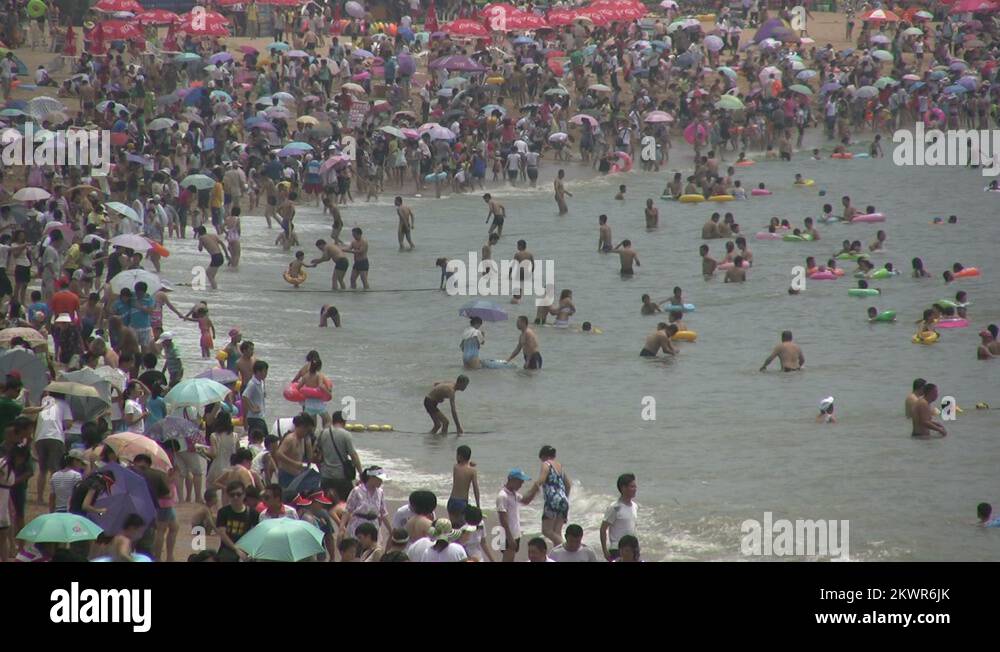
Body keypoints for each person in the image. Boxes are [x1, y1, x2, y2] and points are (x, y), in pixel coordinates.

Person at [521, 445, 571, 546]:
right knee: (556, 533)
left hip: (552, 500)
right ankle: (559, 556)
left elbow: (541, 480)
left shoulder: (546, 464)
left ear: (543, 456)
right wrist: (564, 498)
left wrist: (530, 493)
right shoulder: (560, 466)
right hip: (563, 500)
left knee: (546, 531)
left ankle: (565, 547)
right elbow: (568, 484)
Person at [342, 466, 392, 540]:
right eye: (379, 479)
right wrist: (341, 527)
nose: (381, 482)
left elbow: (383, 512)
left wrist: (390, 530)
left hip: (373, 524)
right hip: (358, 524)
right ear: (371, 478)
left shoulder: (380, 492)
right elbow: (348, 510)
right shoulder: (357, 491)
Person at [215, 480, 259, 561]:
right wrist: (236, 549)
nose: (235, 497)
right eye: (232, 495)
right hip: (227, 550)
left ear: (244, 495)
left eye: (238, 494)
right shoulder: (223, 512)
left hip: (246, 550)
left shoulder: (253, 513)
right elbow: (222, 533)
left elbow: (256, 534)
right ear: (228, 495)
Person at [314, 411, 362, 483]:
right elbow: (353, 455)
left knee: (326, 494)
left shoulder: (323, 433)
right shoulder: (346, 434)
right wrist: (361, 473)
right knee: (346, 493)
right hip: (341, 475)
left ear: (333, 420)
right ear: (344, 421)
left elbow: (316, 452)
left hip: (326, 474)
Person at [496, 468, 532, 562]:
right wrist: (509, 537)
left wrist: (535, 488)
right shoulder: (503, 495)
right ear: (512, 480)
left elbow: (525, 500)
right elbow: (503, 518)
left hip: (515, 533)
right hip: (508, 534)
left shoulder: (514, 494)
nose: (521, 484)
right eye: (520, 481)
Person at [600, 473, 638, 561]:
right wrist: (605, 551)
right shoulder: (615, 507)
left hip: (632, 548)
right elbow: (603, 529)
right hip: (617, 549)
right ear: (623, 488)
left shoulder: (635, 506)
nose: (635, 489)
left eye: (635, 486)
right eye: (632, 487)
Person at [448, 445, 480, 526]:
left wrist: (469, 463)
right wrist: (478, 505)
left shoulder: (455, 467)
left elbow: (460, 464)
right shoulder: (472, 471)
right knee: (462, 528)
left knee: (453, 527)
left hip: (451, 501)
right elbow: (475, 488)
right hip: (462, 502)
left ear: (459, 456)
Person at [242, 360, 268, 437]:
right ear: (258, 372)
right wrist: (252, 408)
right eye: (264, 371)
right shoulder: (252, 384)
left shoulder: (261, 382)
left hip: (260, 416)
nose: (266, 374)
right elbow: (244, 396)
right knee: (260, 439)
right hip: (254, 418)